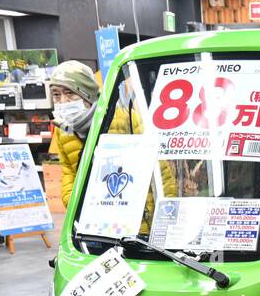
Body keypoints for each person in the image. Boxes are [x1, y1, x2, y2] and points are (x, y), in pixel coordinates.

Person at [48, 60, 176, 214]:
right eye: (56, 95)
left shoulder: (124, 119)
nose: (63, 101)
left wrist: (167, 210)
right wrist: (74, 204)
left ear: (87, 94)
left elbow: (159, 168)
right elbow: (69, 172)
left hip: (137, 216)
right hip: (94, 219)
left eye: (70, 93)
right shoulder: (64, 131)